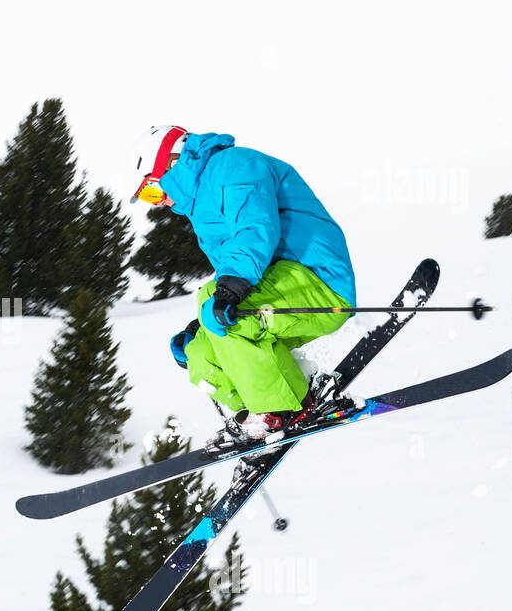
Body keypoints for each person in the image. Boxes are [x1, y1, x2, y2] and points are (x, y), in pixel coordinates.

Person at [130, 126, 356, 440]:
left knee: (212, 299)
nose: (157, 203)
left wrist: (223, 294)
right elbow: (236, 274)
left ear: (172, 163)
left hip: (317, 280)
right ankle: (257, 415)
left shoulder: (233, 166)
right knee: (199, 352)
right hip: (277, 291)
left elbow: (256, 229)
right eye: (147, 197)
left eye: (152, 191)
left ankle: (278, 409)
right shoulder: (200, 208)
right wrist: (204, 322)